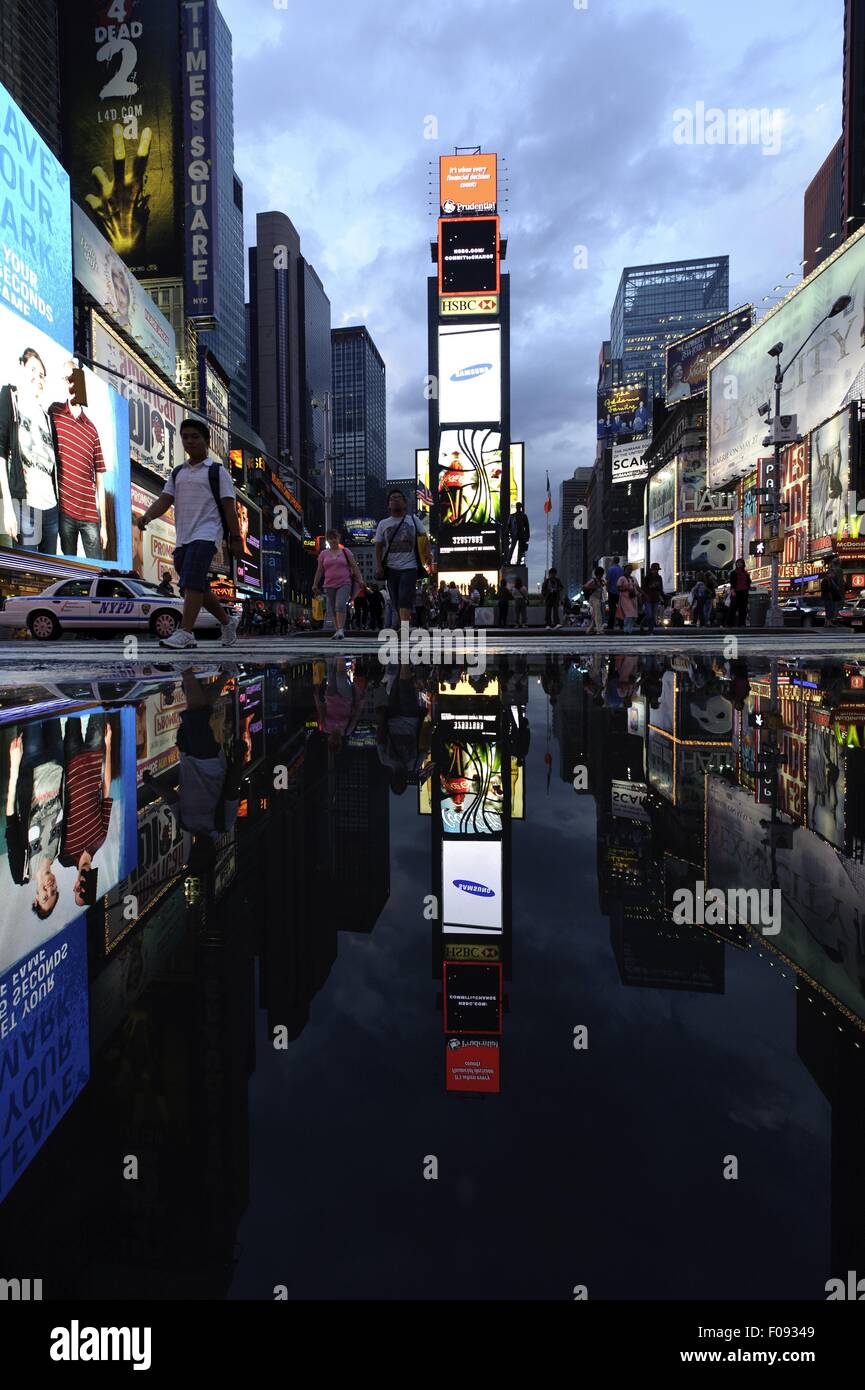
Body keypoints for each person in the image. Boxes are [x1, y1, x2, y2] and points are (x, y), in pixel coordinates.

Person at [135, 419, 242, 649]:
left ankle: (186, 632)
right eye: (185, 437)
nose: (190, 441)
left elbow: (228, 507)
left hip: (207, 533)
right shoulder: (178, 473)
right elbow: (165, 500)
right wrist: (148, 516)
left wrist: (235, 538)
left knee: (192, 580)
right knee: (193, 586)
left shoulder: (217, 472)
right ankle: (227, 621)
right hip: (183, 536)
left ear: (206, 441)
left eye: (195, 436)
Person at [0, 348, 59, 554]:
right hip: (25, 506)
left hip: (50, 508)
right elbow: (0, 452)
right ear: (22, 368)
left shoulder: (46, 416)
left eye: (42, 375)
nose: (38, 377)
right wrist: (7, 506)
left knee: (50, 576)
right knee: (28, 577)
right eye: (33, 369)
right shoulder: (10, 396)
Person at [50, 360, 109, 560]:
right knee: (70, 571)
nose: (70, 383)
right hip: (65, 509)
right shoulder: (55, 413)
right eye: (66, 379)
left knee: (97, 571)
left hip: (90, 515)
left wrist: (104, 527)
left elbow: (100, 481)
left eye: (74, 378)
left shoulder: (92, 429)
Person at [5, 720, 64, 918]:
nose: (50, 889)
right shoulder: (59, 852)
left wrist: (14, 768)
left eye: (45, 896)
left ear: (36, 898)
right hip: (57, 761)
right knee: (53, 700)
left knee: (33, 704)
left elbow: (11, 820)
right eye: (54, 893)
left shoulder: (21, 872)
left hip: (32, 763)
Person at [58, 713, 113, 908]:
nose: (81, 886)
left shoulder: (64, 856)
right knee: (97, 707)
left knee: (70, 711)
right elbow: (106, 792)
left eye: (78, 891)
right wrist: (109, 745)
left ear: (74, 887)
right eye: (85, 890)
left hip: (71, 761)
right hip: (95, 756)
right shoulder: (100, 838)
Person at [374, 489, 425, 627]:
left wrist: (428, 556)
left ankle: (404, 627)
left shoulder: (414, 520)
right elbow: (378, 546)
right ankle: (403, 622)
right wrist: (379, 565)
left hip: (410, 566)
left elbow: (424, 539)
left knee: (404, 596)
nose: (395, 500)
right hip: (391, 568)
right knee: (395, 600)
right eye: (392, 498)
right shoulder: (383, 524)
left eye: (398, 497)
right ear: (388, 505)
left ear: (404, 503)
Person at [312, 529, 365, 640]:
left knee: (340, 605)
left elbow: (354, 566)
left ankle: (341, 629)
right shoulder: (323, 554)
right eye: (330, 538)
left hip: (344, 583)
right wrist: (315, 584)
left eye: (335, 538)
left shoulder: (346, 552)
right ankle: (337, 630)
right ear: (327, 540)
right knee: (332, 608)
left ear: (338, 538)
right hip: (329, 584)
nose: (333, 540)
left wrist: (360, 579)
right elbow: (319, 570)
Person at [640, 562, 665, 635]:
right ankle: (643, 623)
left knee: (653, 616)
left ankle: (650, 630)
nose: (656, 571)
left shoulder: (659, 578)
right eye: (654, 570)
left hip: (656, 598)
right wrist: (651, 586)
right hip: (647, 598)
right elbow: (643, 588)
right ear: (651, 570)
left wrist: (662, 596)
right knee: (649, 614)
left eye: (657, 570)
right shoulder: (647, 578)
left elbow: (661, 588)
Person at [617, 563, 639, 634]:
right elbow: (618, 588)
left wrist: (644, 595)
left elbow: (638, 588)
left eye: (630, 569)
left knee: (633, 615)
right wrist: (627, 589)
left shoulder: (634, 578)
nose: (629, 571)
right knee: (629, 614)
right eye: (628, 569)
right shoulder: (621, 578)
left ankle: (629, 630)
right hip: (625, 599)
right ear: (624, 570)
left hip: (633, 598)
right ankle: (626, 629)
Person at [821, 557, 845, 622]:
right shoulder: (839, 570)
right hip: (834, 594)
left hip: (829, 596)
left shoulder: (829, 577)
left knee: (830, 608)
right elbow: (840, 582)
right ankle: (832, 620)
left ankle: (829, 621)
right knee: (834, 607)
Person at [584, 566, 607, 634]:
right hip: (593, 598)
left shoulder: (601, 580)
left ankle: (589, 629)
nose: (602, 575)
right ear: (598, 574)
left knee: (595, 614)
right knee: (598, 613)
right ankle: (599, 629)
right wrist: (594, 587)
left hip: (598, 598)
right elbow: (585, 587)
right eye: (601, 574)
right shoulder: (593, 580)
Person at [729, 557, 751, 627]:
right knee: (733, 608)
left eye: (741, 563)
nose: (739, 564)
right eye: (738, 563)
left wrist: (747, 588)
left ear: (743, 564)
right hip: (736, 591)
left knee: (743, 608)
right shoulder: (733, 572)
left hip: (744, 592)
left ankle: (742, 623)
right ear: (736, 564)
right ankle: (730, 623)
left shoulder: (746, 573)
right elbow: (732, 582)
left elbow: (749, 581)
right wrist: (732, 591)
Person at [605, 555, 624, 630]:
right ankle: (621, 624)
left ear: (613, 561)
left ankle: (611, 625)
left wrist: (607, 588)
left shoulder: (610, 570)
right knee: (621, 609)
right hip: (620, 592)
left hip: (612, 592)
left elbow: (608, 581)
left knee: (612, 609)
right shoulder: (622, 570)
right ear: (618, 561)